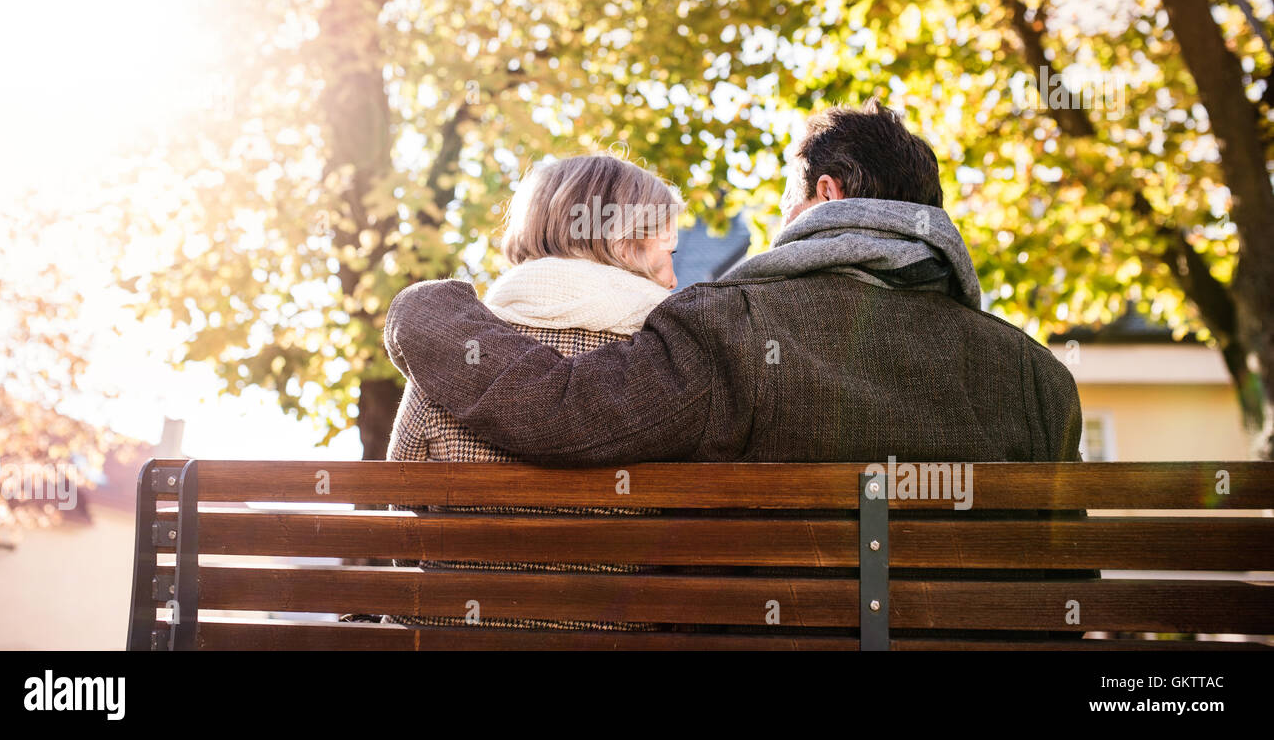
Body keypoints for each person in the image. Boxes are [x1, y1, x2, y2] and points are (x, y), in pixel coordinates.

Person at [383, 99, 1083, 466]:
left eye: (788, 200)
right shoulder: (1039, 379)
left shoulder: (735, 326)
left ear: (827, 195)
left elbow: (564, 412)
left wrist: (428, 309)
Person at [383, 151, 682, 630]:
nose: (673, 278)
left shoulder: (452, 351)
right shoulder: (671, 364)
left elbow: (403, 512)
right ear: (628, 244)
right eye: (670, 253)